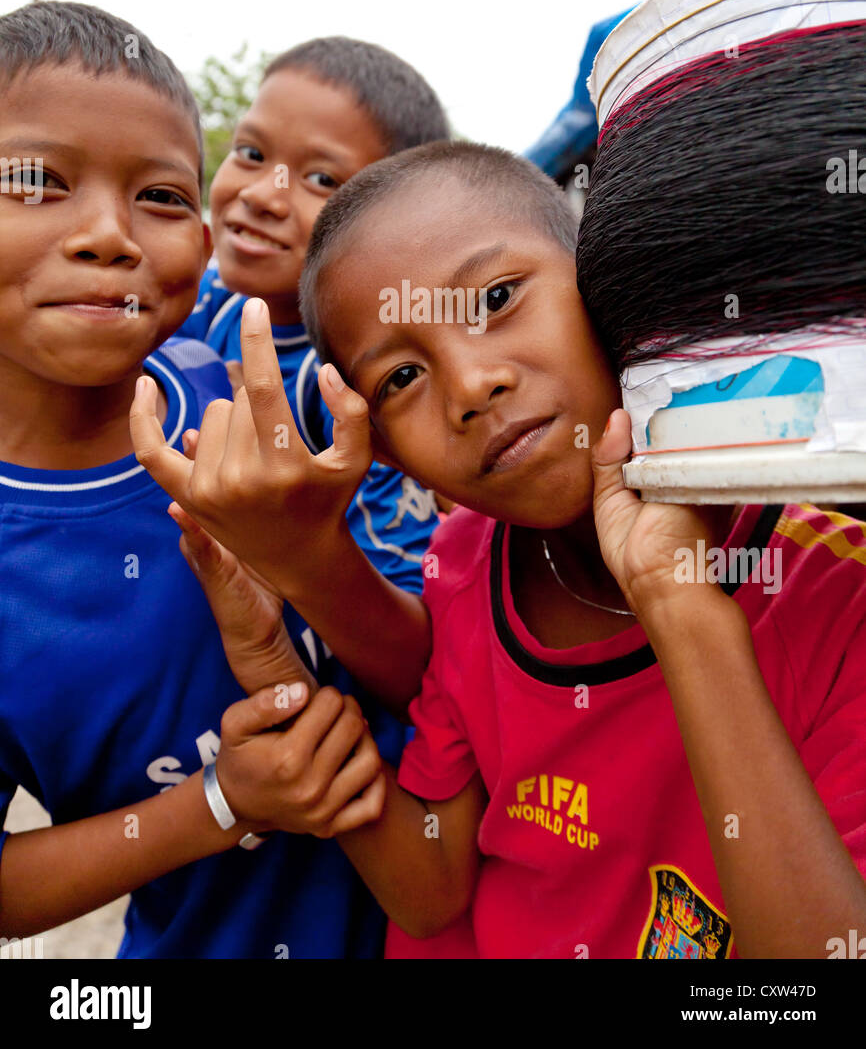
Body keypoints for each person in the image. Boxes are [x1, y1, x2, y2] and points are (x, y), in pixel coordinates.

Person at [134, 140, 866, 959]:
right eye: (401, 379)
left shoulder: (832, 592)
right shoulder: (464, 564)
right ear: (385, 452)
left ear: (603, 282)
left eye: (498, 296)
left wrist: (680, 603)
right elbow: (428, 888)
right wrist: (273, 661)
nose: (472, 383)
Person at [0, 2, 387, 961]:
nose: (106, 237)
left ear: (204, 252)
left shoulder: (265, 399)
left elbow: (436, 660)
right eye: (34, 182)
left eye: (162, 197)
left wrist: (317, 558)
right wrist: (219, 804)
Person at [178, 36, 448, 625]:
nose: (259, 195)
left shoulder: (354, 389)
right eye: (250, 153)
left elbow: (403, 597)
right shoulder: (190, 299)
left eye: (322, 180)